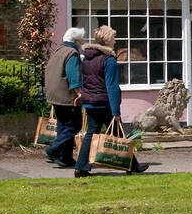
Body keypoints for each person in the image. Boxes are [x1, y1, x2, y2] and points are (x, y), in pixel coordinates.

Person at [74, 25, 149, 177]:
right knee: (118, 134)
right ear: (108, 40)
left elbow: (85, 81)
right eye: (113, 38)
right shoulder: (109, 60)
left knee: (92, 134)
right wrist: (116, 111)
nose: (115, 42)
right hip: (104, 103)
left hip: (90, 102)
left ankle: (81, 168)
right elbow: (112, 87)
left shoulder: (88, 59)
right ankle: (131, 166)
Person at [42, 27, 85, 168]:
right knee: (74, 125)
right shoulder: (72, 53)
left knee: (63, 126)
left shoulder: (58, 50)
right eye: (81, 40)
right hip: (66, 96)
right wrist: (79, 92)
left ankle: (65, 157)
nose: (82, 43)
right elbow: (73, 75)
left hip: (54, 94)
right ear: (76, 41)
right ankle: (52, 150)